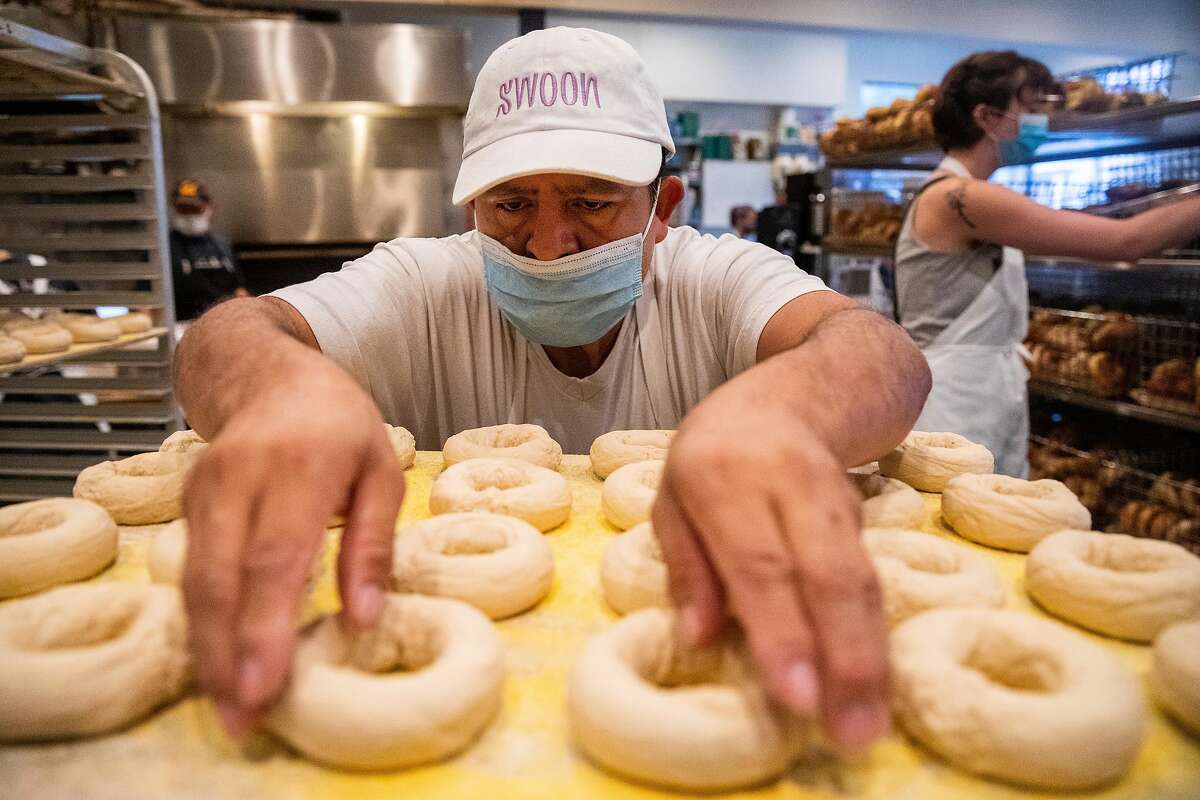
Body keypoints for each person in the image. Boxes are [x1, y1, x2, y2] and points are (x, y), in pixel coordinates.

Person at [175, 27, 931, 752]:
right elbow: (225, 340)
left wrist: (785, 413)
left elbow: (880, 354)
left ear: (662, 211)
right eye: (510, 204)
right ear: (471, 210)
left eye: (591, 202)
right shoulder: (421, 283)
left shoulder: (716, 279)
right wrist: (280, 389)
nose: (547, 244)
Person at [894, 51, 1200, 477]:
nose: (1043, 121)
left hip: (982, 391)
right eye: (1031, 107)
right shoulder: (962, 197)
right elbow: (1126, 242)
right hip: (955, 398)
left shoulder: (964, 193)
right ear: (987, 116)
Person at [168, 178, 250, 326]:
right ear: (173, 209)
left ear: (208, 208)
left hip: (225, 323)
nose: (190, 215)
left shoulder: (222, 245)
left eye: (195, 209)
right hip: (181, 326)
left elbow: (239, 289)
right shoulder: (163, 249)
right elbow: (146, 299)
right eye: (183, 209)